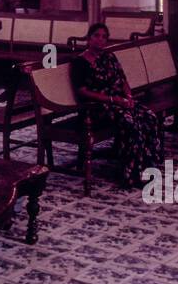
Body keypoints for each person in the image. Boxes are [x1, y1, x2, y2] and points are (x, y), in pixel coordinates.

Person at [69, 23, 163, 187]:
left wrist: (128, 96)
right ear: (89, 38)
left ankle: (148, 167)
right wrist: (112, 100)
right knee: (132, 124)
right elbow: (82, 91)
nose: (100, 40)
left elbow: (123, 79)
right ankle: (132, 174)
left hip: (120, 102)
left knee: (149, 117)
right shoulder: (80, 62)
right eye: (96, 36)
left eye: (104, 37)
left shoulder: (109, 57)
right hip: (97, 107)